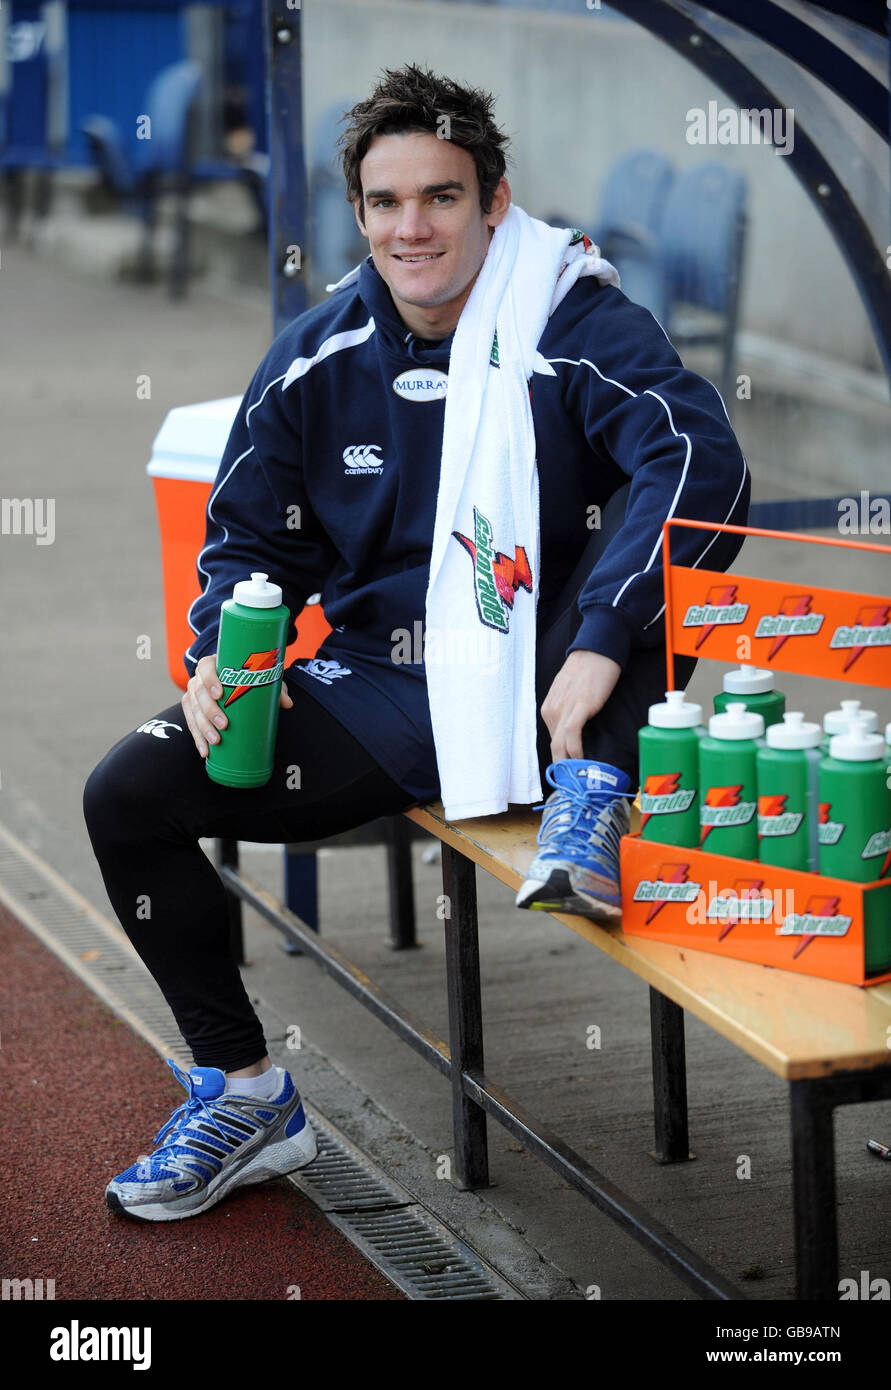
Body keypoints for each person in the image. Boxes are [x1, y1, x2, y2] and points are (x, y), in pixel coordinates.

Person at [83, 63, 749, 1222]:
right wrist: (218, 652)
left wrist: (600, 637)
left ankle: (597, 784)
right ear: (359, 215)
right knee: (126, 791)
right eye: (387, 203)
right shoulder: (318, 353)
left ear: (494, 201)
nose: (412, 226)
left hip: (561, 683)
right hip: (389, 683)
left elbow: (703, 466)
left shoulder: (572, 314)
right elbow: (245, 537)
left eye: (441, 197)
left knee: (643, 575)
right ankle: (248, 1094)